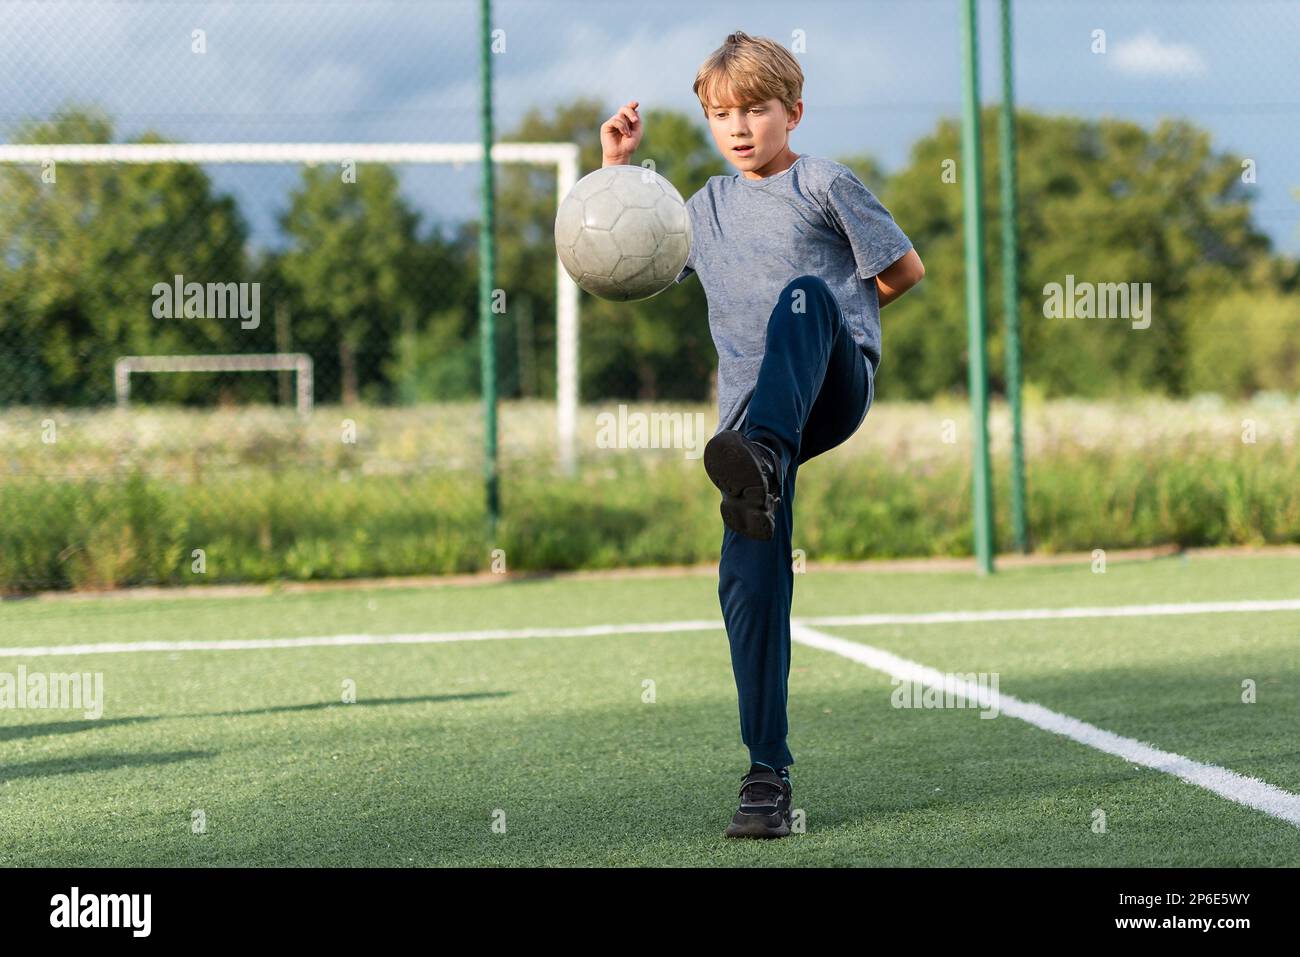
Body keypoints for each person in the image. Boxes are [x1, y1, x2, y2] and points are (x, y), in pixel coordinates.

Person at [600, 30, 925, 839]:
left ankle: (769, 453)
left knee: (809, 297)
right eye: (720, 114)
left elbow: (903, 271)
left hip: (830, 387)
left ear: (794, 112)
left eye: (755, 110)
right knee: (748, 584)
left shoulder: (824, 184)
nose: (739, 127)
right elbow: (630, 257)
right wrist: (613, 173)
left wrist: (850, 317)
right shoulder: (701, 208)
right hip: (747, 443)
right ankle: (766, 775)